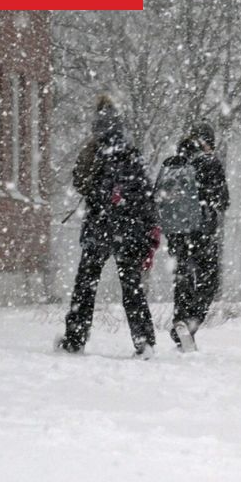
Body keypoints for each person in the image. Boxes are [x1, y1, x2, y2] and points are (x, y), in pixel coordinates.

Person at [57, 96, 160, 359]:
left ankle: (75, 339)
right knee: (132, 287)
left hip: (99, 229)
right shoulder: (132, 155)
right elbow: (147, 196)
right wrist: (150, 233)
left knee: (85, 285)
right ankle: (144, 341)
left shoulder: (93, 153)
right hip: (129, 231)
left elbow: (80, 183)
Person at [155, 122, 230, 352]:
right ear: (208, 142)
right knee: (209, 278)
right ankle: (191, 321)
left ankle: (181, 322)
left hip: (176, 232)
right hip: (202, 231)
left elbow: (159, 196)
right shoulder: (209, 162)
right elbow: (223, 201)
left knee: (183, 278)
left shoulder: (172, 163)